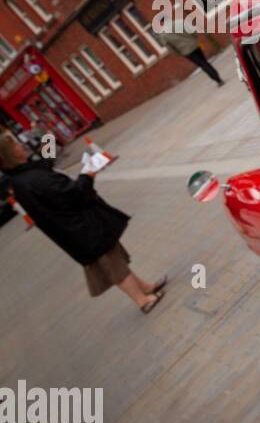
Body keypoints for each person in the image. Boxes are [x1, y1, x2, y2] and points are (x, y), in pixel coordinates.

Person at [0, 131, 165, 312]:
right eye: (15, 145)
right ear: (10, 155)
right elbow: (73, 194)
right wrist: (88, 174)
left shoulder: (22, 178)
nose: (21, 145)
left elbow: (49, 168)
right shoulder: (32, 179)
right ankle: (142, 300)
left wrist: (48, 145)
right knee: (111, 263)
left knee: (114, 258)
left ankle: (145, 288)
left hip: (74, 228)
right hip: (79, 228)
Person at [157, 12, 224, 86]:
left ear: (161, 22)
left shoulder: (163, 34)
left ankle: (217, 79)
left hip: (186, 52)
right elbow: (193, 31)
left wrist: (179, 53)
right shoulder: (180, 22)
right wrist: (195, 39)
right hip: (195, 45)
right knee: (204, 62)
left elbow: (170, 48)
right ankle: (217, 77)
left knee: (202, 64)